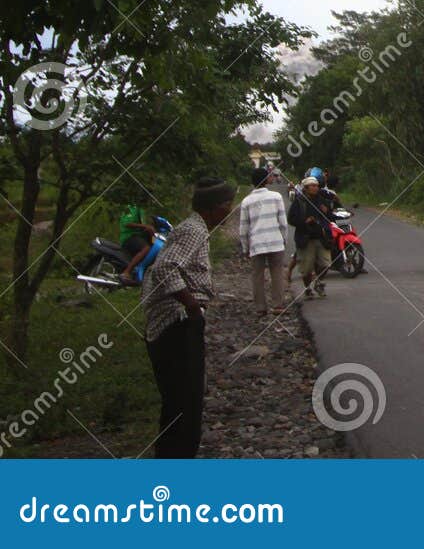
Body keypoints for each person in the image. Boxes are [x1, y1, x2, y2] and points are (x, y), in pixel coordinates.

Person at [140, 177, 234, 458]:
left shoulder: (194, 228)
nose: (229, 211)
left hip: (175, 322)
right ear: (214, 208)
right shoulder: (193, 230)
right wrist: (192, 307)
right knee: (185, 399)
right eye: (227, 205)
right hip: (176, 323)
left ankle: (171, 455)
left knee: (179, 398)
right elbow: (166, 268)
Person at [238, 167, 290, 315]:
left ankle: (260, 308)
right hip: (275, 241)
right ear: (266, 180)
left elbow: (243, 228)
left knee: (257, 275)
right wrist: (283, 239)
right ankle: (278, 305)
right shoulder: (276, 197)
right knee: (277, 273)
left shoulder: (246, 201)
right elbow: (283, 222)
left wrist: (245, 247)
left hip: (256, 243)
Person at [287, 175, 339, 299]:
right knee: (306, 268)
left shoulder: (322, 200)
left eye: (316, 186)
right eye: (313, 186)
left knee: (326, 264)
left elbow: (330, 217)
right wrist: (305, 221)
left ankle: (318, 281)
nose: (315, 188)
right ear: (305, 188)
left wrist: (327, 212)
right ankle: (308, 288)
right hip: (306, 238)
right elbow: (291, 219)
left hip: (321, 237)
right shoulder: (299, 202)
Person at [118, 200, 156, 284]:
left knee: (154, 245)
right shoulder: (131, 207)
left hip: (140, 237)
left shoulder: (143, 210)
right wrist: (145, 226)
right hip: (129, 236)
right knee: (146, 248)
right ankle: (126, 272)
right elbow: (127, 223)